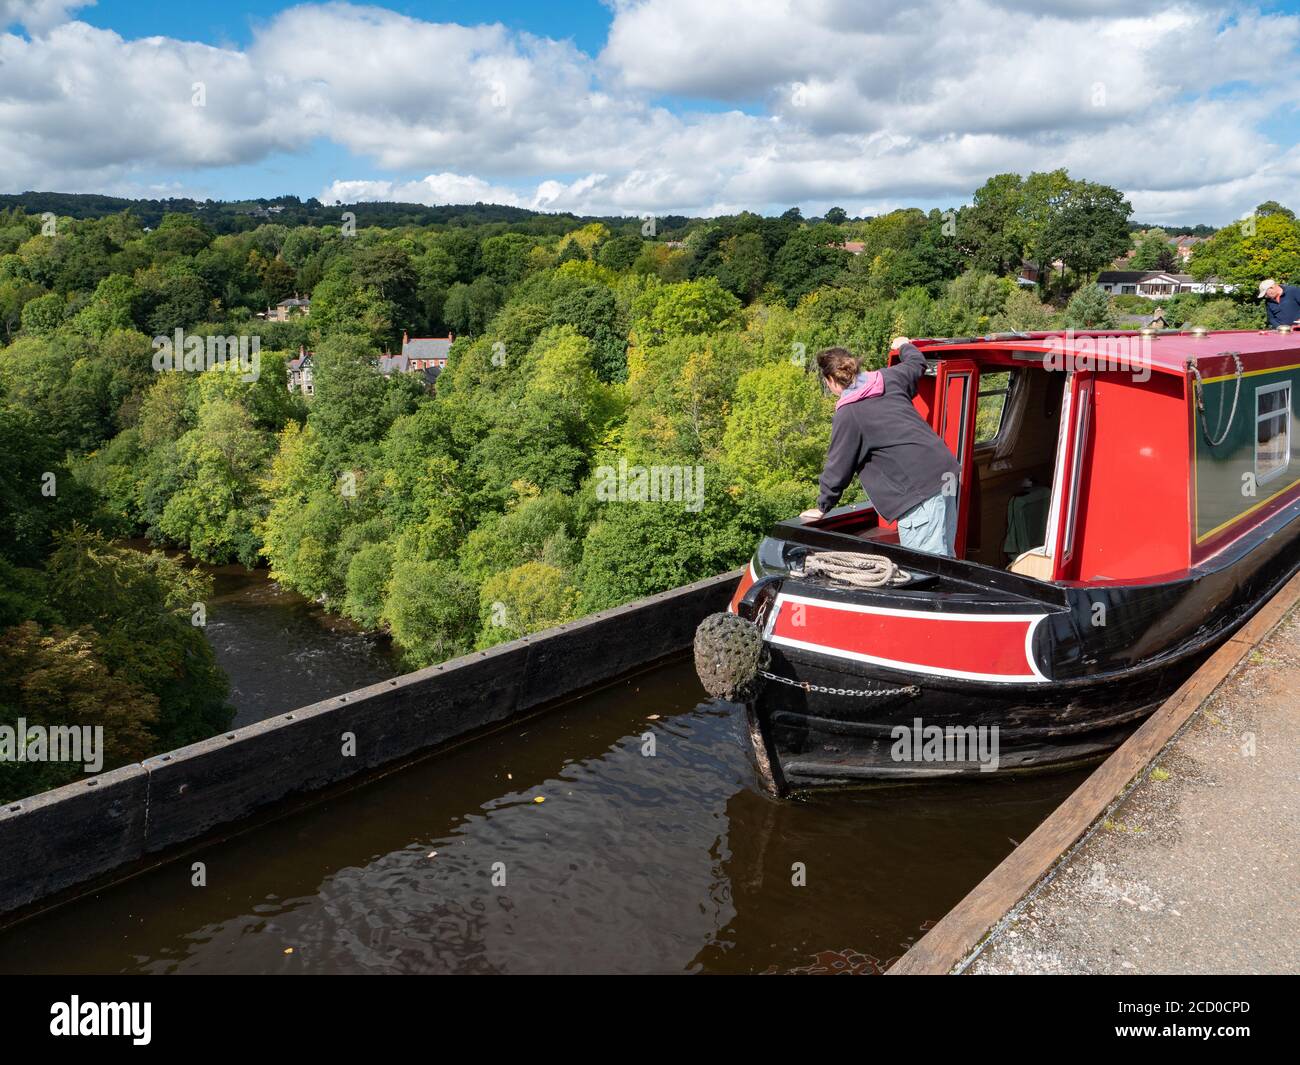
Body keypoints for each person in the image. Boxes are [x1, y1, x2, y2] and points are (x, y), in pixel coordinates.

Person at [799, 337, 961, 556]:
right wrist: (904, 345)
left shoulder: (849, 413)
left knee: (927, 569)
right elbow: (916, 363)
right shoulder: (889, 377)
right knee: (945, 556)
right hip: (945, 474)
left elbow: (838, 466)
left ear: (831, 380)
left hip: (920, 492)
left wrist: (822, 507)